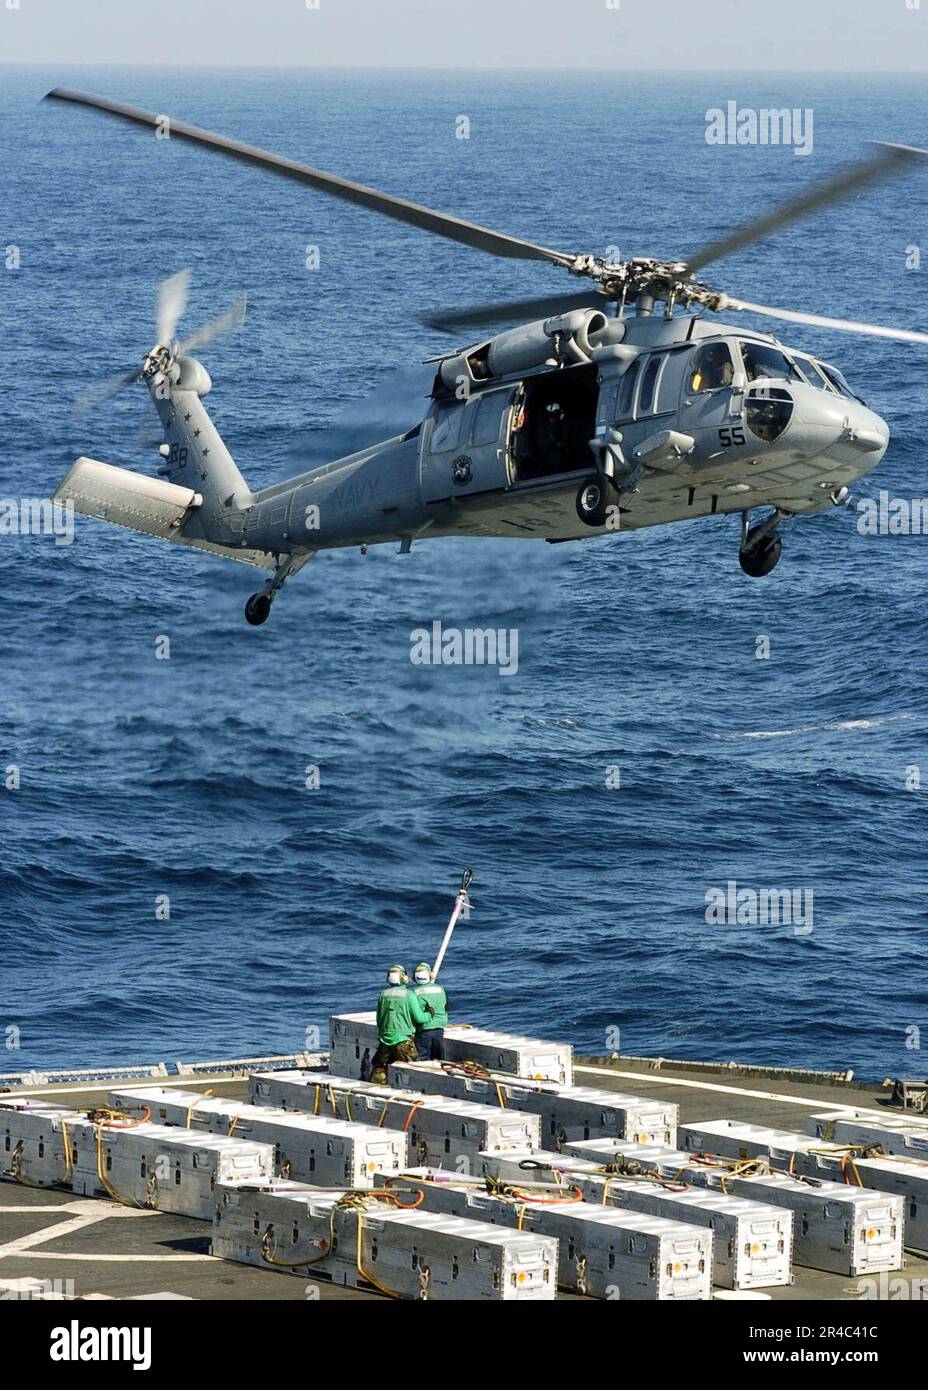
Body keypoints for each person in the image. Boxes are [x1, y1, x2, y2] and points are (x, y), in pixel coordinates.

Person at [370, 965, 434, 1084]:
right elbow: (419, 1018)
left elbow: (379, 1020)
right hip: (403, 1040)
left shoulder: (383, 995)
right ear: (403, 978)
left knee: (379, 1071)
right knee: (414, 1070)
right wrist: (429, 1014)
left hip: (385, 1040)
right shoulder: (409, 995)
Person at [411, 963, 449, 1061]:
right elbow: (446, 1005)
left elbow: (414, 1013)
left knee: (423, 1059)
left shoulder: (413, 992)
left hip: (423, 1029)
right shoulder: (440, 989)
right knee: (439, 1059)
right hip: (439, 1028)